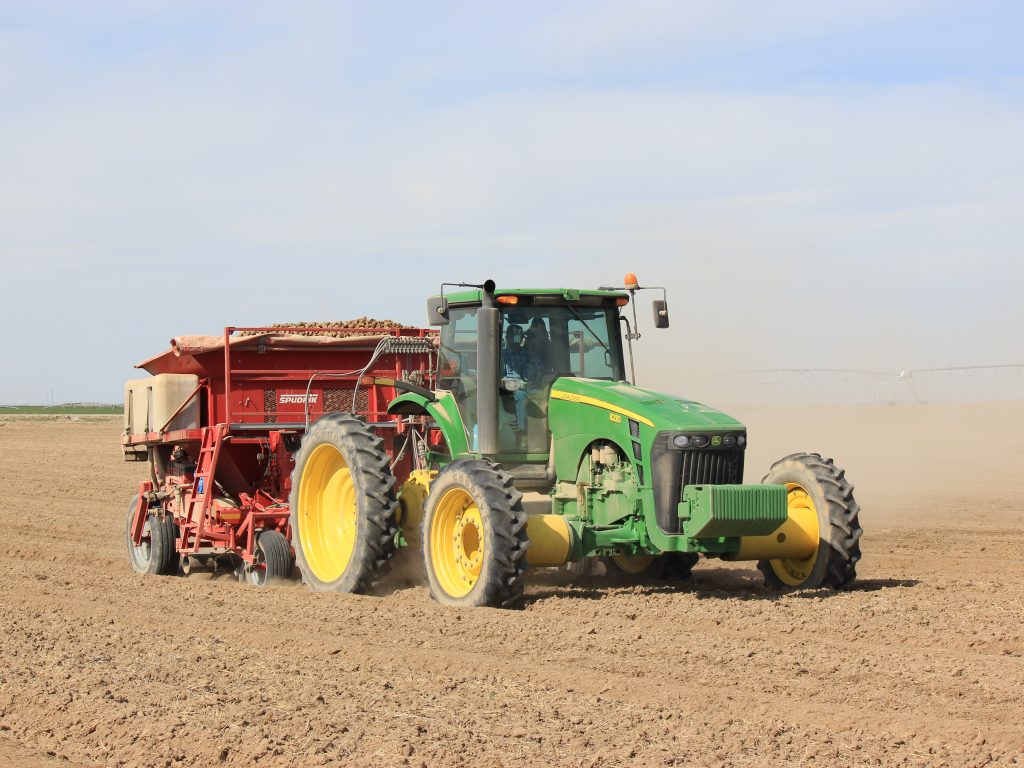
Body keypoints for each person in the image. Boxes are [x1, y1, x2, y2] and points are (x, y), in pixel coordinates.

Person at [501, 324, 542, 435]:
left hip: (530, 387)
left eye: (519, 337)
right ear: (507, 338)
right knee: (521, 395)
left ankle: (543, 430)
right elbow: (499, 378)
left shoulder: (528, 354)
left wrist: (535, 380)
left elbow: (540, 369)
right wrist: (515, 384)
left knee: (543, 395)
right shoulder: (503, 356)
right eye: (513, 336)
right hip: (510, 390)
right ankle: (522, 432)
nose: (516, 340)